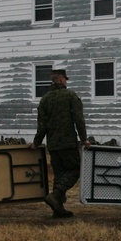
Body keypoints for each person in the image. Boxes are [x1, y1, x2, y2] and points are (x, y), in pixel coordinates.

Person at [30, 69, 91, 218]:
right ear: (63, 79)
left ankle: (58, 210)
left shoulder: (45, 99)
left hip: (53, 144)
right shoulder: (71, 96)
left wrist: (36, 142)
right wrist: (84, 138)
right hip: (68, 143)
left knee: (59, 175)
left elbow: (42, 125)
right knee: (76, 169)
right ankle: (56, 196)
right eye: (66, 79)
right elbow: (79, 119)